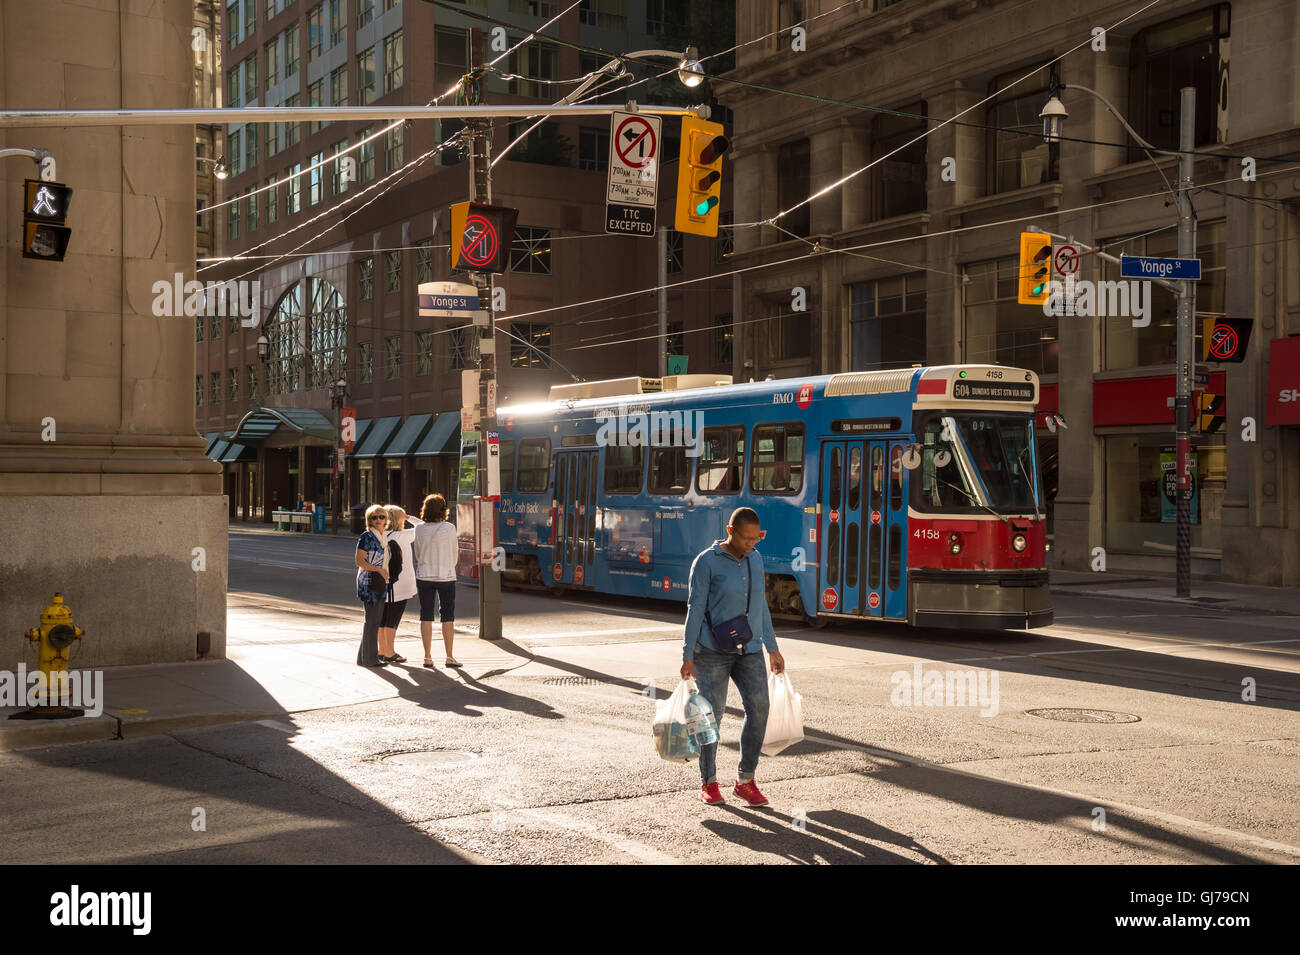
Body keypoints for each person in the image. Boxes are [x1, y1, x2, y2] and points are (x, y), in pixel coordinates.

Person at [681, 506, 785, 807]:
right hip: (711, 651)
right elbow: (695, 609)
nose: (751, 544)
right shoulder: (706, 562)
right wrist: (687, 655)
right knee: (711, 717)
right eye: (746, 538)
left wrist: (772, 647)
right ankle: (709, 782)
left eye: (757, 539)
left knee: (760, 709)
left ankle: (745, 779)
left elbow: (761, 605)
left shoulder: (755, 558)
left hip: (749, 649)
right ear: (730, 531)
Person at [412, 493, 460, 668]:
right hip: (446, 576)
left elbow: (417, 553)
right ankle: (449, 656)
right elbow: (455, 553)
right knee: (447, 616)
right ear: (443, 510)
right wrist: (448, 565)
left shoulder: (419, 529)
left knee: (426, 616)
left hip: (424, 575)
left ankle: (427, 656)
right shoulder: (449, 528)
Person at [378, 504, 423, 664]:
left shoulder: (382, 534)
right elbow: (423, 526)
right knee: (393, 618)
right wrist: (409, 517)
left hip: (384, 582)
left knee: (383, 618)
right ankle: (390, 652)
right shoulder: (403, 536)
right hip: (400, 584)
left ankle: (381, 650)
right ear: (399, 519)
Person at [354, 504, 390, 667]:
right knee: (372, 621)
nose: (378, 520)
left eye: (381, 516)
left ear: (386, 519)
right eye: (374, 517)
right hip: (369, 582)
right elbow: (359, 561)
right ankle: (370, 659)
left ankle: (363, 658)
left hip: (380, 581)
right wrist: (379, 570)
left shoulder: (383, 537)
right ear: (369, 520)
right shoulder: (367, 536)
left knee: (374, 620)